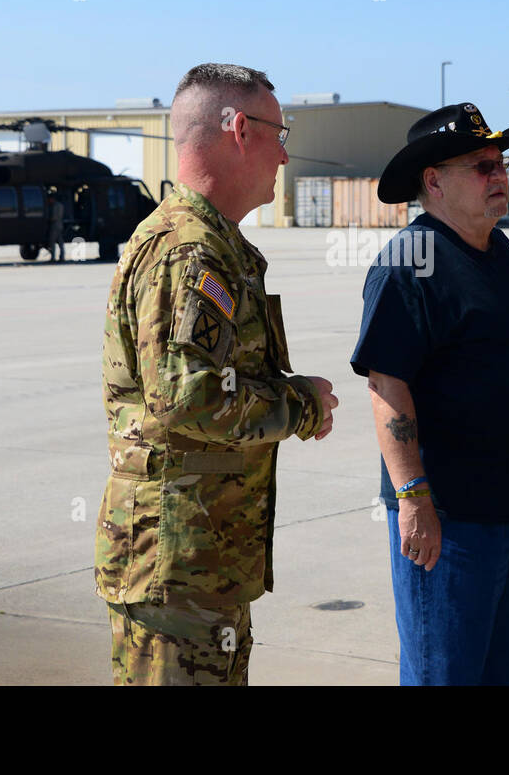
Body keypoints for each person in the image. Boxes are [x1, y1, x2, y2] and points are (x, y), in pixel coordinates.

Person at [94, 62, 339, 685]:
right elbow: (188, 400)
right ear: (237, 129)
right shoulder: (192, 253)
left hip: (200, 560)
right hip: (177, 571)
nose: (284, 157)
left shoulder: (210, 244)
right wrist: (300, 404)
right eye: (278, 135)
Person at [350, 102, 509, 685]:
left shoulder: (501, 252)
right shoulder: (409, 263)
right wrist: (412, 498)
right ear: (433, 181)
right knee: (444, 675)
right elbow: (386, 383)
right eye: (481, 166)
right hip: (453, 526)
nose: (499, 175)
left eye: (502, 163)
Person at [46, 194, 65, 262]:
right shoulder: (54, 205)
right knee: (59, 242)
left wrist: (48, 219)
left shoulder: (57, 206)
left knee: (53, 242)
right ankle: (60, 257)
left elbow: (57, 216)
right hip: (57, 226)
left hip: (56, 226)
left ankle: (55, 257)